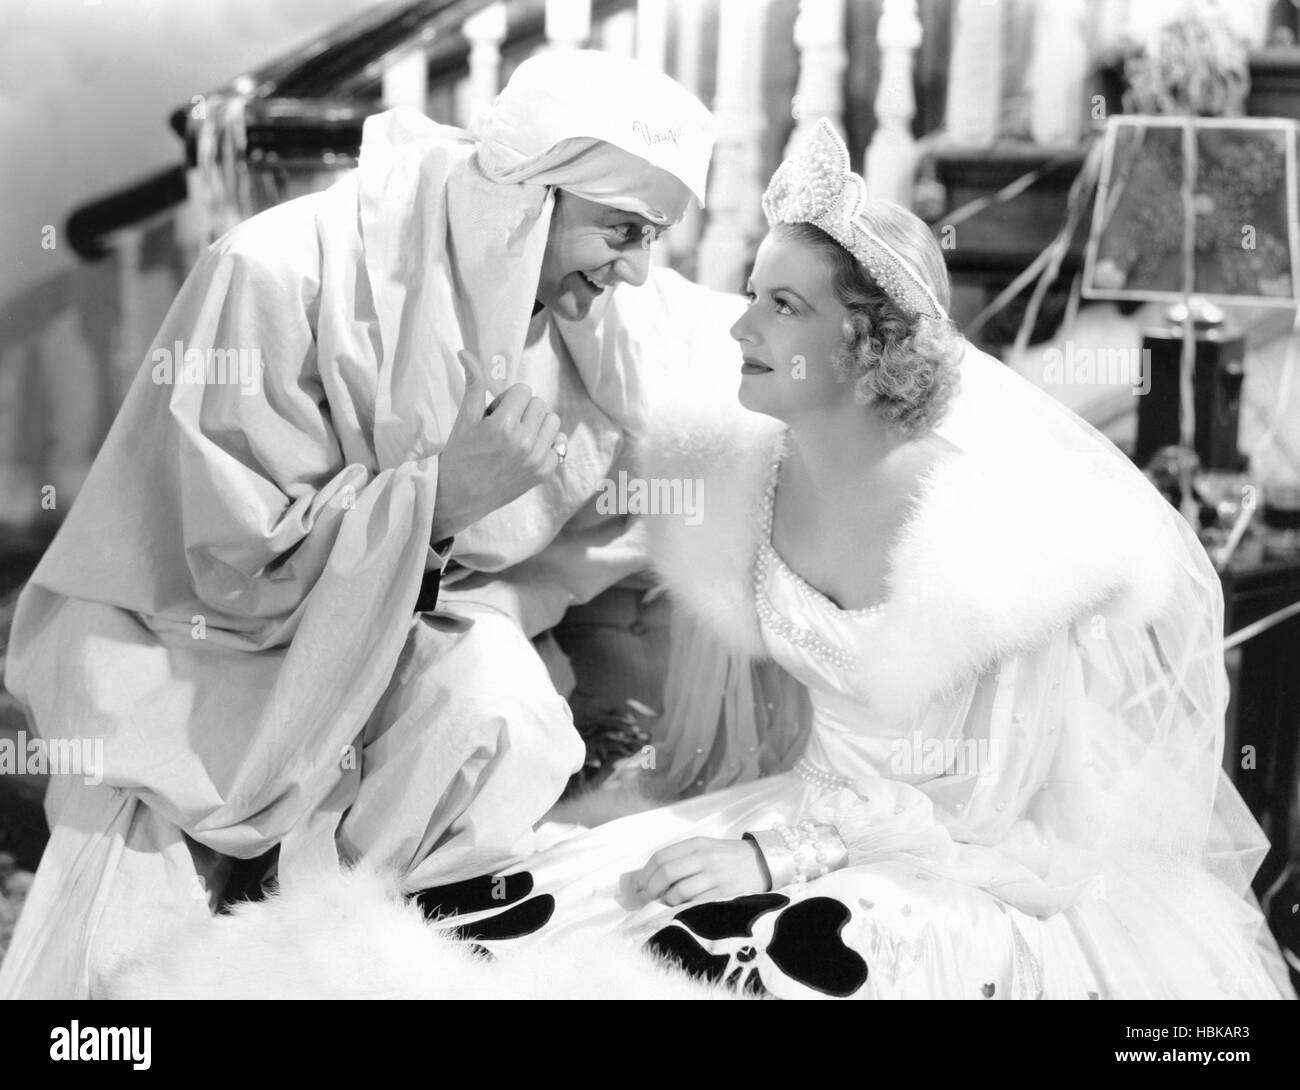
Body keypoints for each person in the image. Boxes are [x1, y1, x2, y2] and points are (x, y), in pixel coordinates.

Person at [398, 120, 1296, 999]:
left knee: (750, 968)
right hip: (793, 808)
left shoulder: (999, 544)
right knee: (511, 937)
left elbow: (986, 817)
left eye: (783, 306)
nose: (739, 327)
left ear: (873, 342)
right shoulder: (744, 480)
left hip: (952, 870)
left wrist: (774, 859)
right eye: (751, 294)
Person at [0, 50, 731, 998]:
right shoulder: (273, 269)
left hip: (395, 629)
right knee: (127, 946)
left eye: (655, 237)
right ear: (533, 195)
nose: (636, 270)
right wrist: (437, 498)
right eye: (624, 231)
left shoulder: (581, 323)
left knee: (504, 708)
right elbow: (230, 563)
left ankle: (324, 952)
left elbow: (730, 342)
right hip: (208, 648)